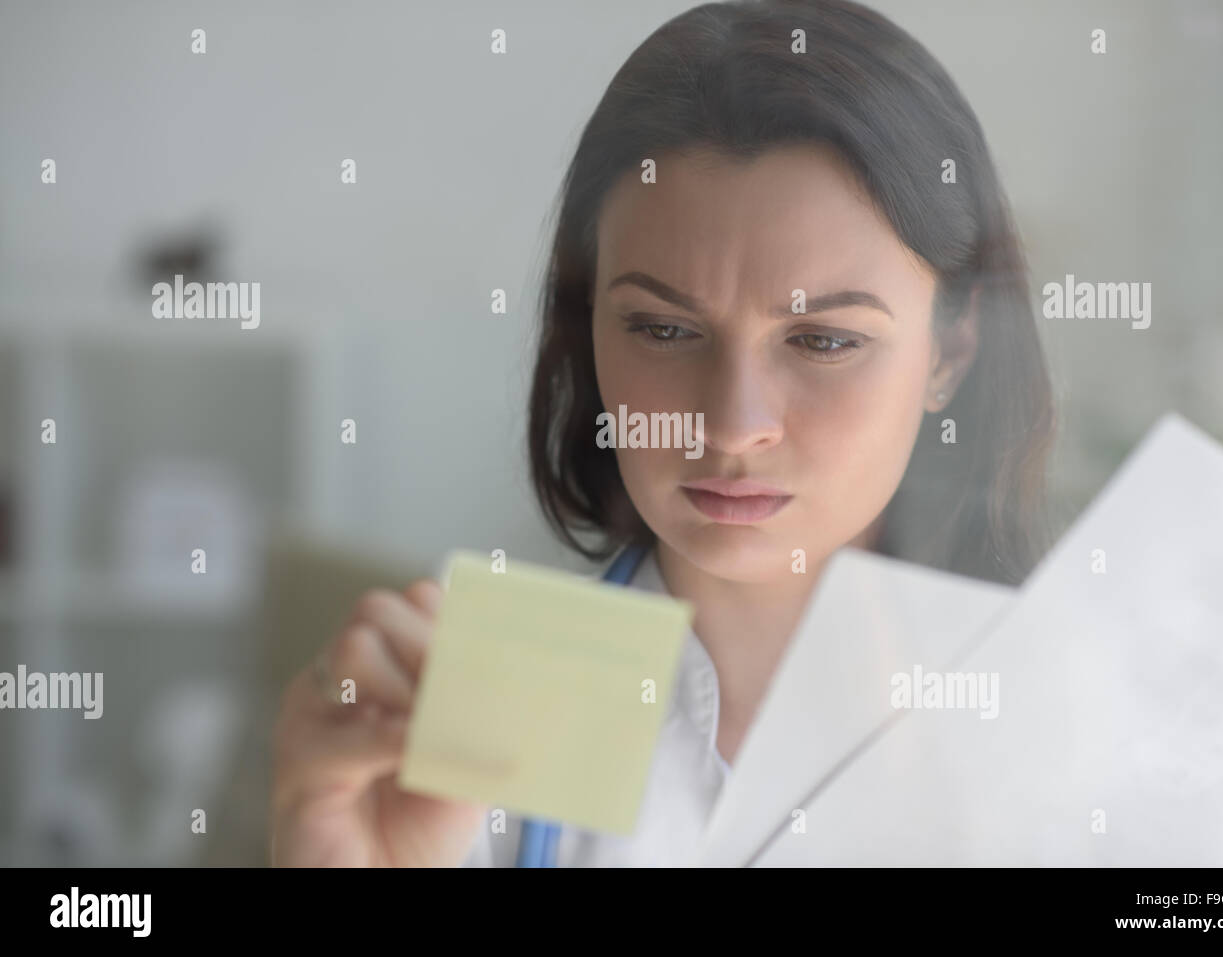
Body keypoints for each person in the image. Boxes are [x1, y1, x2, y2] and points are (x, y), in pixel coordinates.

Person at [270, 0, 1057, 867]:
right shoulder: (467, 741)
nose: (731, 426)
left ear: (952, 348)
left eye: (824, 340)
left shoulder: (1078, 728)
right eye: (663, 329)